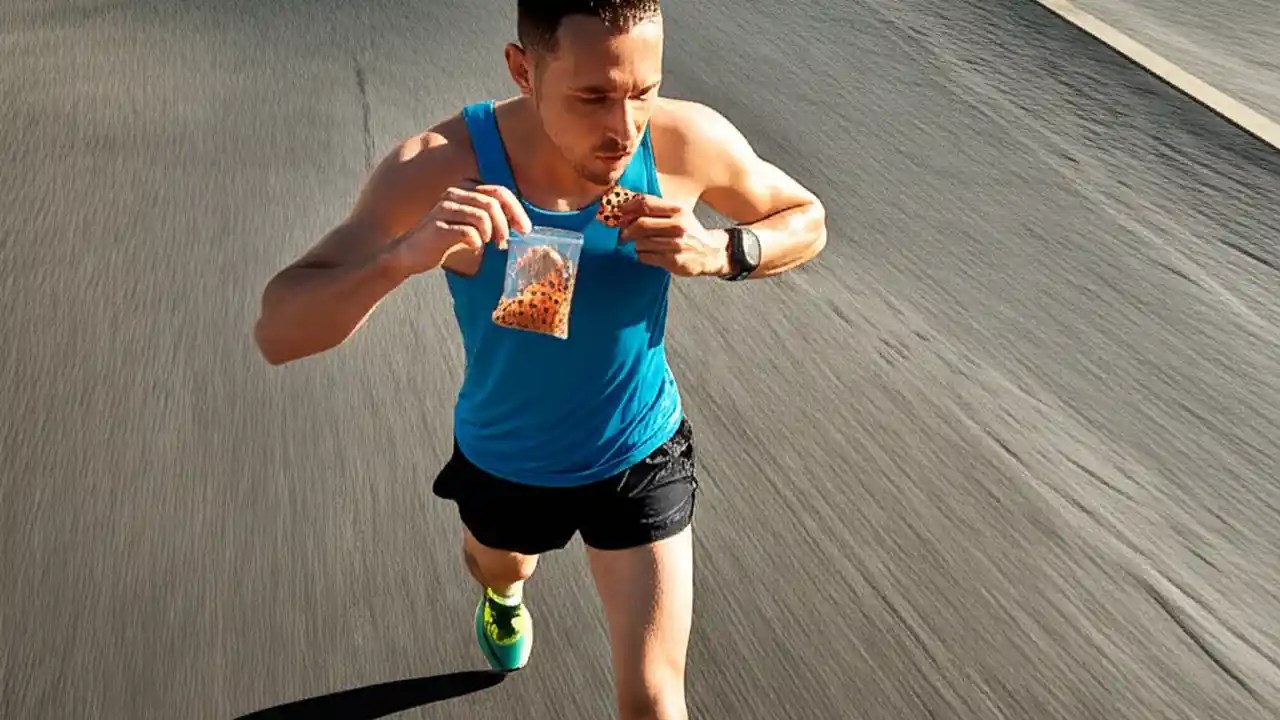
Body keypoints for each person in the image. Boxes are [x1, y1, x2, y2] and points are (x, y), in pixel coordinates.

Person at [252, 1, 826, 717]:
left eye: (642, 92)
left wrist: (727, 251)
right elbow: (279, 329)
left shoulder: (681, 142)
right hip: (508, 460)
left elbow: (805, 217)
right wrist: (403, 257)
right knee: (499, 562)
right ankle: (502, 592)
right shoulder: (441, 167)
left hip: (640, 453)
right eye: (591, 97)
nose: (623, 129)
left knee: (653, 696)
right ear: (523, 70)